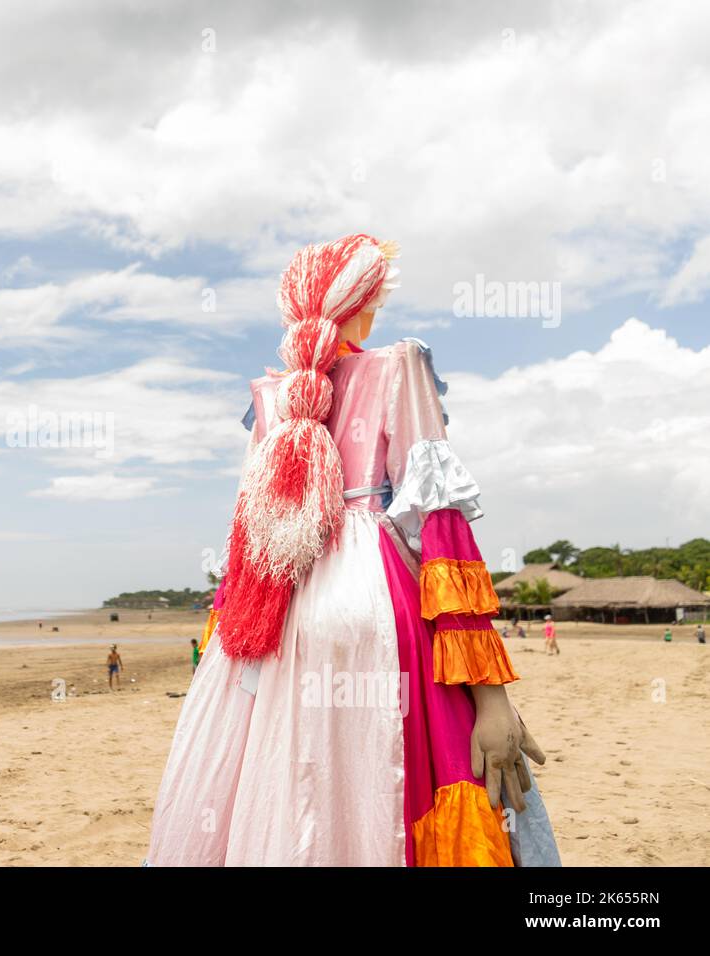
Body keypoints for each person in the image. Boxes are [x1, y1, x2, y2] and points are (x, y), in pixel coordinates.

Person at [146, 235, 558, 867]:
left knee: (280, 795)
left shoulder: (269, 397)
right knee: (385, 781)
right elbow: (441, 531)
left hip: (274, 620)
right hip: (376, 612)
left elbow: (245, 544)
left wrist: (221, 657)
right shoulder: (399, 367)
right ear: (366, 306)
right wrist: (492, 697)